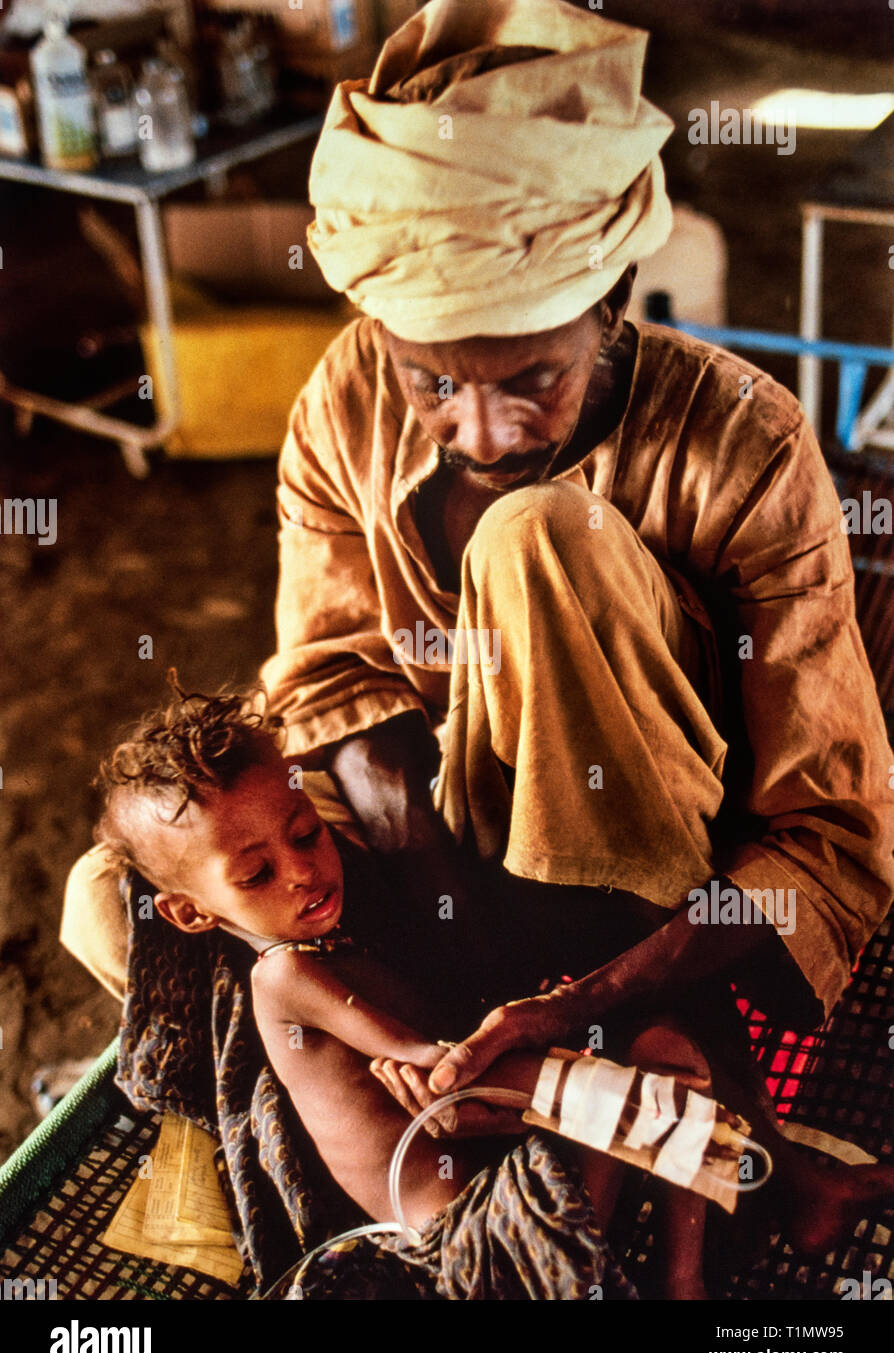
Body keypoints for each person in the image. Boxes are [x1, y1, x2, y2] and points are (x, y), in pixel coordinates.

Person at [253, 0, 894, 1142]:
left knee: (540, 537)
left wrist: (589, 995)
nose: (484, 433)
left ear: (607, 304)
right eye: (431, 384)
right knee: (139, 882)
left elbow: (828, 829)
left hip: (667, 865)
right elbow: (327, 677)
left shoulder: (745, 439)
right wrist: (454, 919)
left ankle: (681, 1056)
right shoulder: (346, 398)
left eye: (531, 381)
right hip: (454, 836)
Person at [97, 681, 759, 1299]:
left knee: (665, 1050)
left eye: (306, 834)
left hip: (533, 1182)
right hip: (477, 1241)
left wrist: (593, 1067)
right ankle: (661, 1135)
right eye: (257, 874)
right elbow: (435, 1066)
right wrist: (593, 1082)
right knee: (631, 1105)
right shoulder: (283, 979)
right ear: (191, 912)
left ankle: (682, 1282)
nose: (302, 870)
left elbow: (457, 1078)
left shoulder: (345, 943)